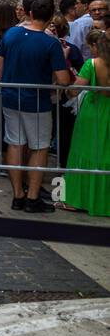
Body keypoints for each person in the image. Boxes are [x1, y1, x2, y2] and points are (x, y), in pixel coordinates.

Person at [0, 0, 71, 213]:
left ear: (30, 13)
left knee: (15, 143)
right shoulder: (51, 43)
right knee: (39, 147)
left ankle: (18, 195)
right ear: (50, 17)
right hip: (37, 101)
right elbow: (64, 79)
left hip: (11, 97)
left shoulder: (11, 33)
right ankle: (32, 197)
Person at [63, 30, 110, 216]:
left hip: (94, 112)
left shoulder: (92, 64)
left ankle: (78, 200)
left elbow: (75, 91)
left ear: (94, 46)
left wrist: (67, 90)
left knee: (85, 152)